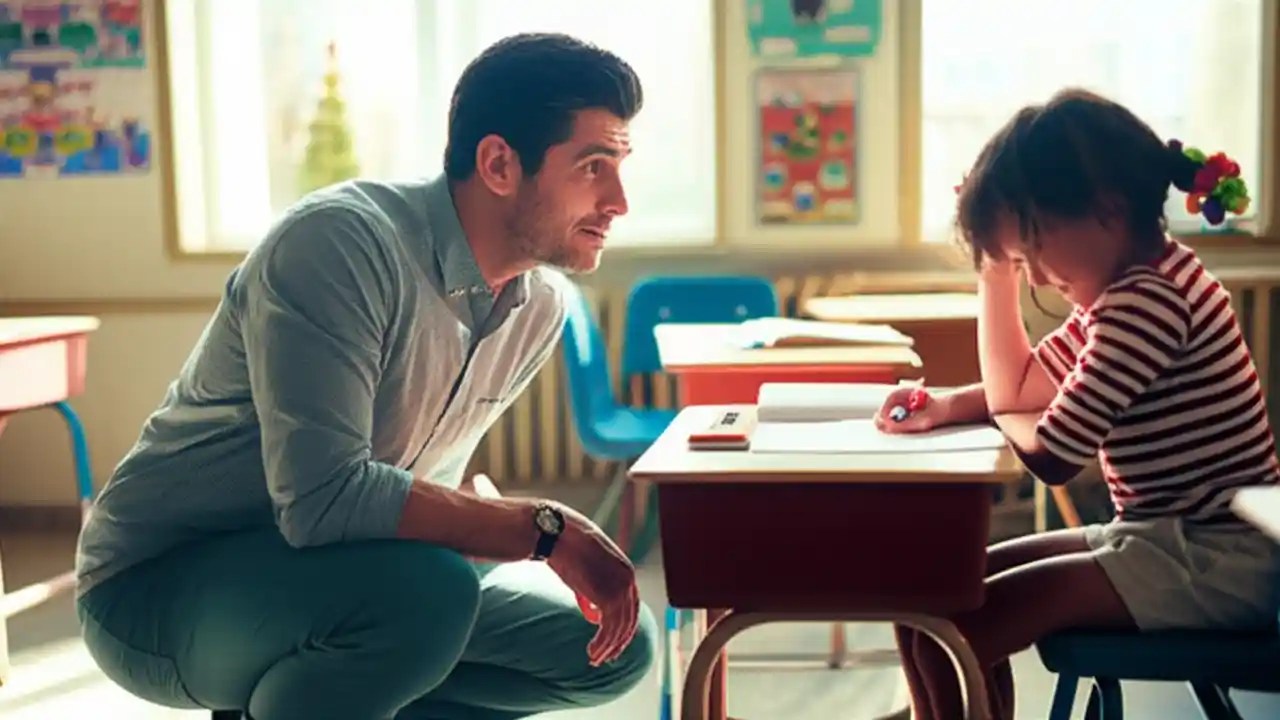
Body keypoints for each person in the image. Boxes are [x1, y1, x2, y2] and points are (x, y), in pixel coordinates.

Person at [74, 32, 657, 720]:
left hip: (345, 577)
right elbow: (324, 501)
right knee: (427, 592)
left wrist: (495, 528)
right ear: (500, 163)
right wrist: (544, 528)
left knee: (613, 644)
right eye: (593, 166)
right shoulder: (338, 245)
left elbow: (414, 490)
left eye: (620, 164)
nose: (618, 199)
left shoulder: (538, 307)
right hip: (159, 587)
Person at [873, 87, 1280, 720]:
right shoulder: (1127, 291)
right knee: (931, 604)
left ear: (1107, 212)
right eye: (1017, 261)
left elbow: (1053, 454)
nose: (1033, 277)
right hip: (1164, 540)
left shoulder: (1148, 304)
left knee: (953, 630)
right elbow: (1028, 389)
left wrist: (1001, 407)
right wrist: (952, 401)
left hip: (1215, 561)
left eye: (1031, 251)